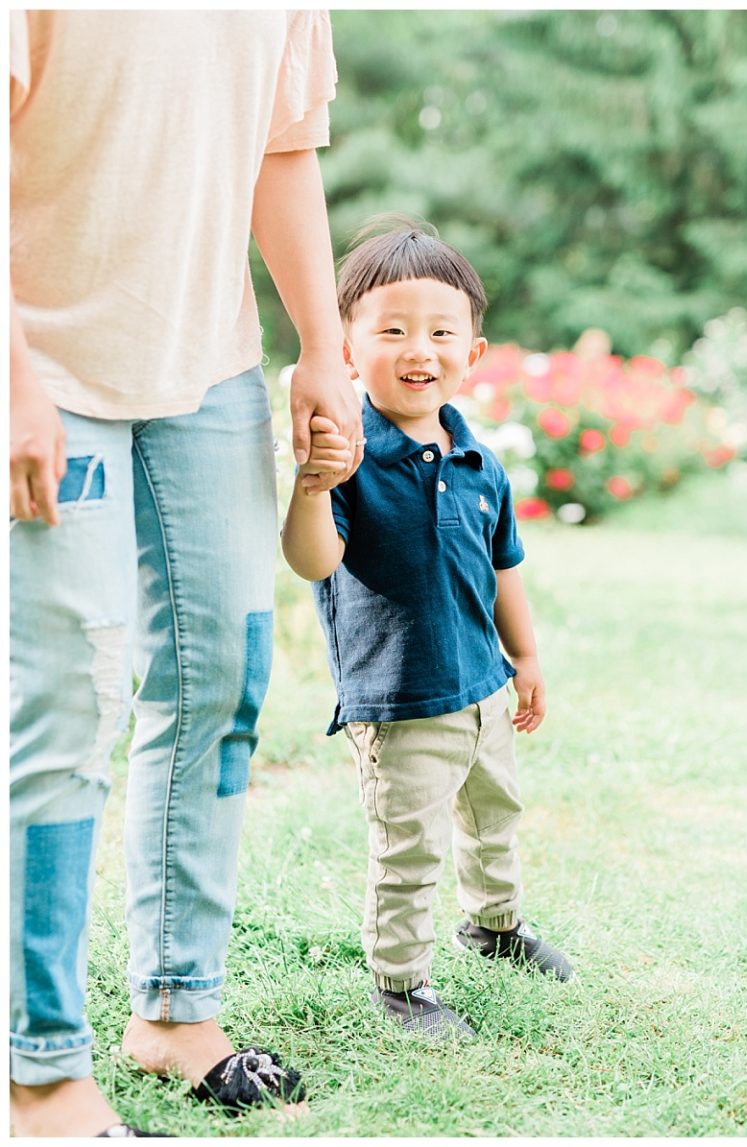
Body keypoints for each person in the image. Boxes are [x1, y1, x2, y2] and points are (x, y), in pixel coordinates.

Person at [9, 11, 363, 1137]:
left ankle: (175, 1011)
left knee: (222, 680)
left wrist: (322, 343)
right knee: (70, 703)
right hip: (40, 366)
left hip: (208, 368)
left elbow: (281, 149)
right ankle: (43, 1067)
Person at [281, 224, 572, 1040]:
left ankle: (494, 924)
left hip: (482, 686)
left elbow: (503, 564)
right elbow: (313, 560)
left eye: (442, 331)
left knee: (494, 814)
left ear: (473, 352)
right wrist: (312, 485)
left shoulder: (481, 460)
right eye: (394, 329)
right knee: (409, 846)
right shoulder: (348, 454)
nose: (421, 348)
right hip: (401, 696)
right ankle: (400, 984)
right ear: (346, 349)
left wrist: (525, 656)